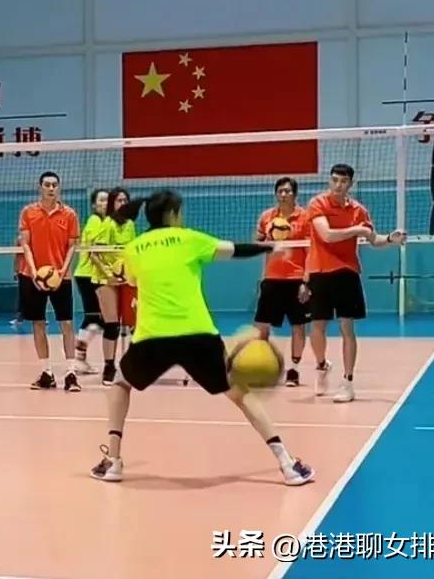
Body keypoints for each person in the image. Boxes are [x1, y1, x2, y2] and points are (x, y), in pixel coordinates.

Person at [89, 189, 316, 487]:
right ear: (172, 214)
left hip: (152, 337)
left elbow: (131, 280)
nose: (182, 217)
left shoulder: (133, 248)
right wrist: (270, 247)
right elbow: (235, 249)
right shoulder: (189, 239)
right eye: (180, 212)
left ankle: (114, 461)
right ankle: (287, 463)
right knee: (239, 392)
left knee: (120, 384)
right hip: (199, 335)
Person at [304, 164, 406, 402]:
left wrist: (391, 239)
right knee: (317, 327)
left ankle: (348, 383)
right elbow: (327, 235)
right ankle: (321, 366)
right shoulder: (317, 204)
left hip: (347, 272)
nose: (338, 185)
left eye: (343, 181)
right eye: (335, 180)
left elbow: (374, 239)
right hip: (319, 271)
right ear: (330, 181)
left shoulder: (359, 210)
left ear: (350, 184)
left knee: (347, 327)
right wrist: (356, 230)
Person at [19, 171, 81, 392]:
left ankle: (71, 374)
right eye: (47, 185)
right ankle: (47, 373)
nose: (51, 188)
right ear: (40, 187)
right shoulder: (28, 212)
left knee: (66, 324)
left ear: (59, 188)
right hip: (32, 276)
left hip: (60, 277)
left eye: (55, 185)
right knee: (38, 323)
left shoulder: (70, 214)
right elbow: (25, 244)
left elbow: (72, 245)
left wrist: (63, 270)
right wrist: (35, 271)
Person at [253, 177, 312, 387]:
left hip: (296, 279)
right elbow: (257, 242)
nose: (284, 194)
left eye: (288, 191)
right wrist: (266, 239)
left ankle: (293, 370)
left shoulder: (305, 218)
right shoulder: (267, 217)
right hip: (271, 279)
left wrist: (307, 281)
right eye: (280, 191)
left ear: (295, 194)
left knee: (298, 327)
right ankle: (264, 367)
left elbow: (310, 251)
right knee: (262, 327)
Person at [92, 187, 137, 385]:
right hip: (105, 279)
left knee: (133, 324)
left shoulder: (130, 225)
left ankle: (131, 365)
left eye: (125, 200)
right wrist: (110, 275)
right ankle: (108, 367)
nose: (123, 203)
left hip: (126, 278)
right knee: (112, 325)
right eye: (119, 200)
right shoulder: (107, 223)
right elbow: (94, 253)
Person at [73, 188, 109, 374]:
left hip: (93, 275)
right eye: (102, 200)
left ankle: (79, 357)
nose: (106, 203)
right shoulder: (95, 222)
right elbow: (96, 252)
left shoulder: (105, 223)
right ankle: (78, 359)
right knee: (94, 318)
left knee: (97, 319)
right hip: (88, 275)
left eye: (108, 200)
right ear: (94, 205)